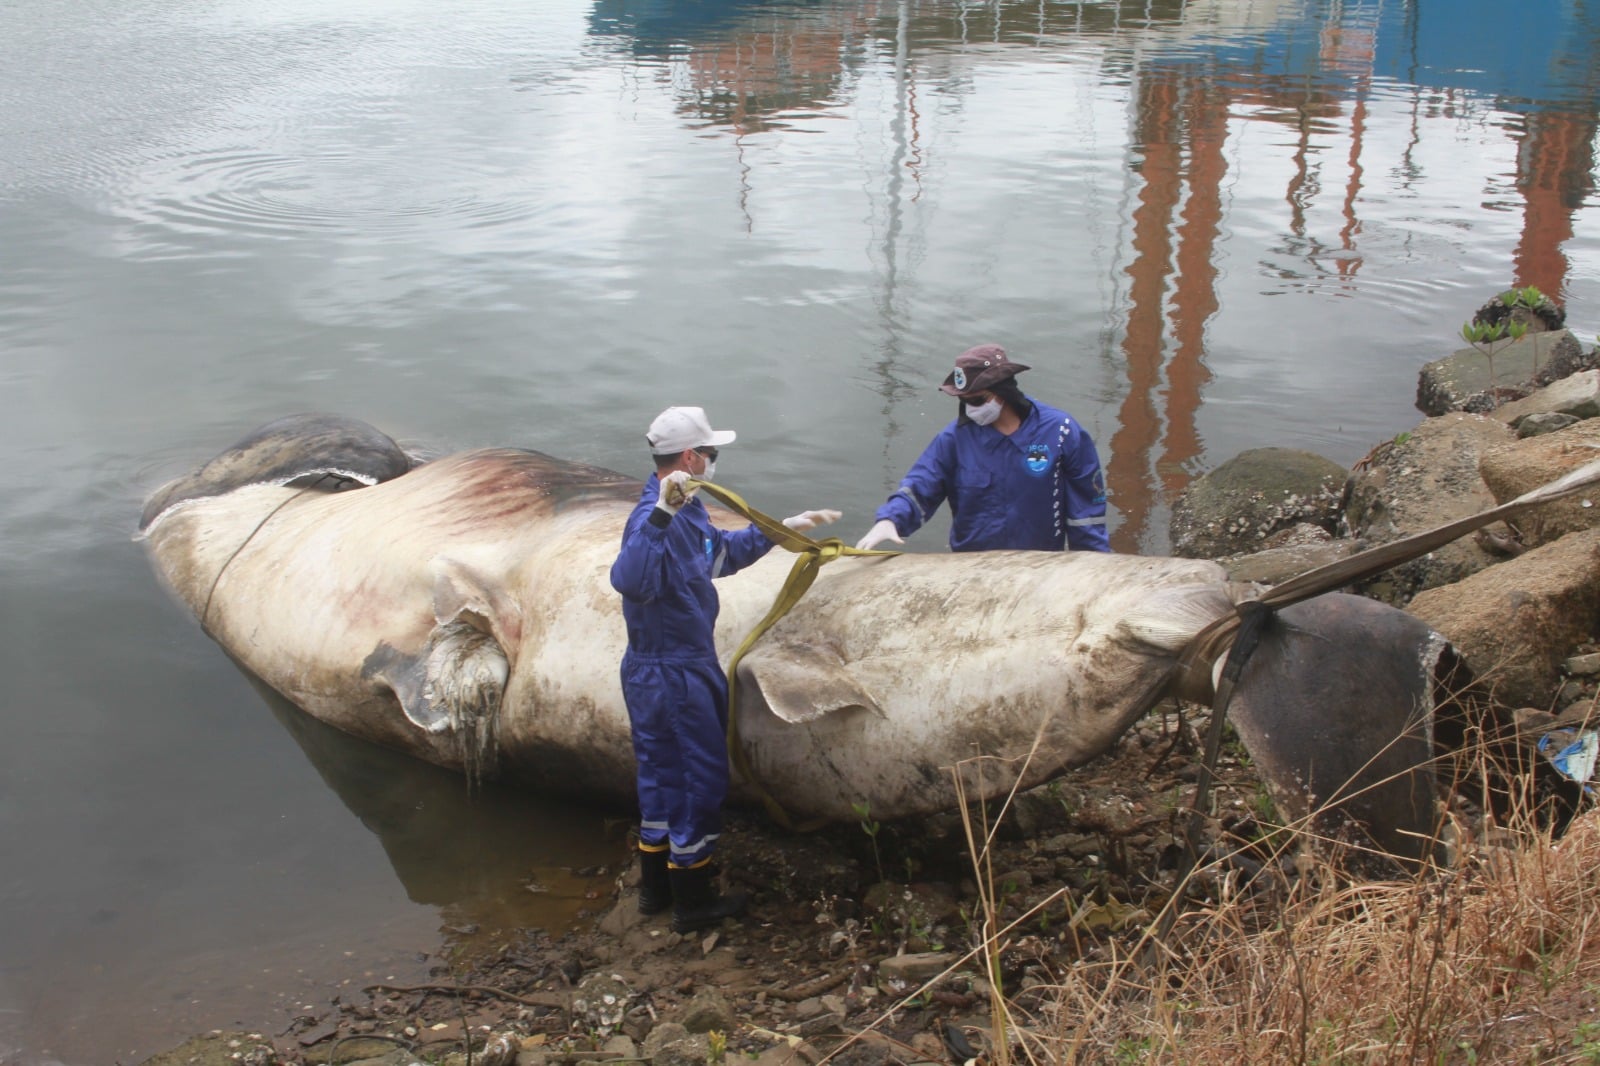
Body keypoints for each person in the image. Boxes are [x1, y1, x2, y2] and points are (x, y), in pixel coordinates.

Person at [610, 405, 840, 934]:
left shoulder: (688, 509)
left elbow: (719, 559)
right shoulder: (655, 515)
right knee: (697, 779)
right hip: (671, 670)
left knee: (662, 776)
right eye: (712, 454)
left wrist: (780, 531)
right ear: (691, 457)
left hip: (667, 667)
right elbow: (632, 580)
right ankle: (692, 899)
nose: (715, 463)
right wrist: (661, 516)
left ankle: (655, 889)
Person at [855, 344, 1109, 553]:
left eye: (977, 400)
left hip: (1039, 567)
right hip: (972, 568)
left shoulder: (1061, 432)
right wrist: (891, 519)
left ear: (1003, 392)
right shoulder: (954, 440)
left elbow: (1087, 513)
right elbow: (922, 484)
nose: (971, 409)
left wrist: (1094, 565)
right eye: (964, 402)